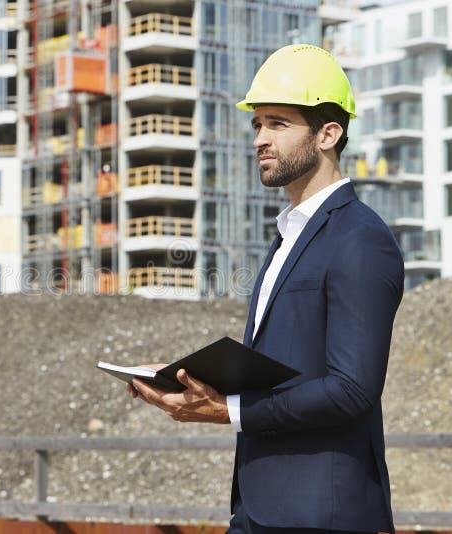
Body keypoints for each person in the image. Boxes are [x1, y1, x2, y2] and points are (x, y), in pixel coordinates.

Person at [128, 44, 404, 534]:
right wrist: (183, 377)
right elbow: (284, 371)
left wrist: (226, 411)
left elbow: (352, 391)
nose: (259, 139)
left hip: (323, 517)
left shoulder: (361, 240)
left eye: (278, 124)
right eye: (257, 125)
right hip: (258, 511)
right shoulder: (288, 236)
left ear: (328, 134)